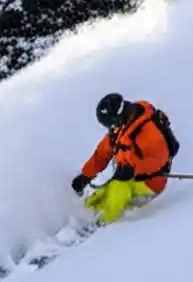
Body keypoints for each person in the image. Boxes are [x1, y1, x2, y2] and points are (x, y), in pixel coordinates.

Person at [71, 93, 173, 224]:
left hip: (150, 182)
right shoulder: (120, 129)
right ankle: (86, 217)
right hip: (125, 176)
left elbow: (158, 159)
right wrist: (86, 175)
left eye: (112, 124)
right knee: (101, 195)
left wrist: (133, 169)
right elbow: (102, 154)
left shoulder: (148, 130)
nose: (111, 128)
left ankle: (104, 223)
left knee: (118, 189)